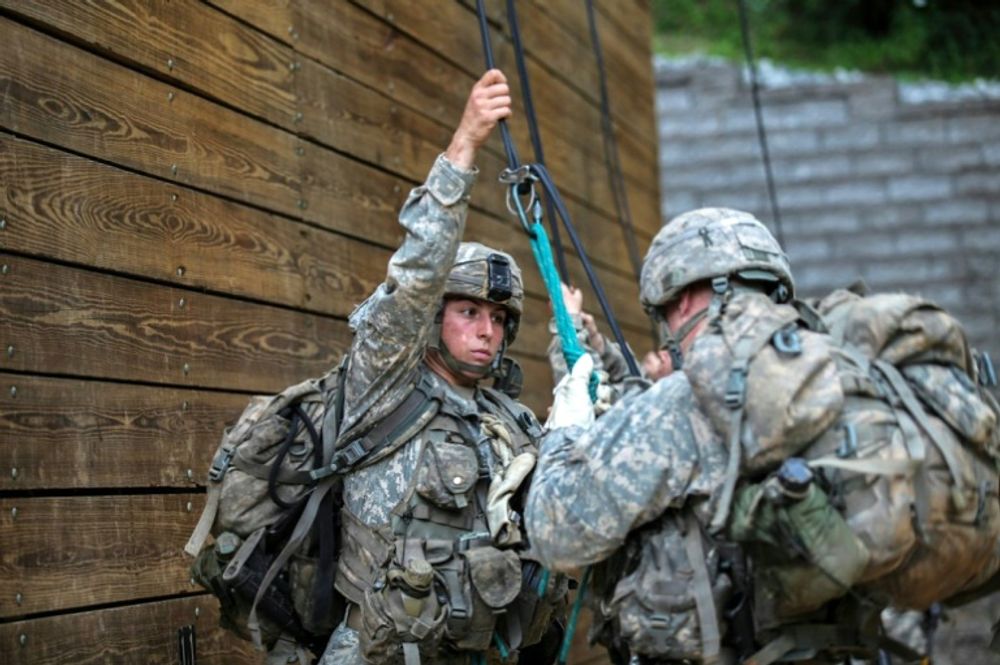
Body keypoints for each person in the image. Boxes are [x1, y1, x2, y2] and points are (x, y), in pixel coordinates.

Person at [525, 207, 1000, 664]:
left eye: (665, 313)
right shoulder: (843, 374)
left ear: (683, 297)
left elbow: (555, 532)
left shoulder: (693, 398)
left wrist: (568, 424)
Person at [320, 69, 566, 665]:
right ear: (433, 318)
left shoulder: (505, 419)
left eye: (499, 318)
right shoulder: (383, 387)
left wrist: (572, 345)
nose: (487, 329)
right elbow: (415, 280)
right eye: (467, 311)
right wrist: (464, 145)